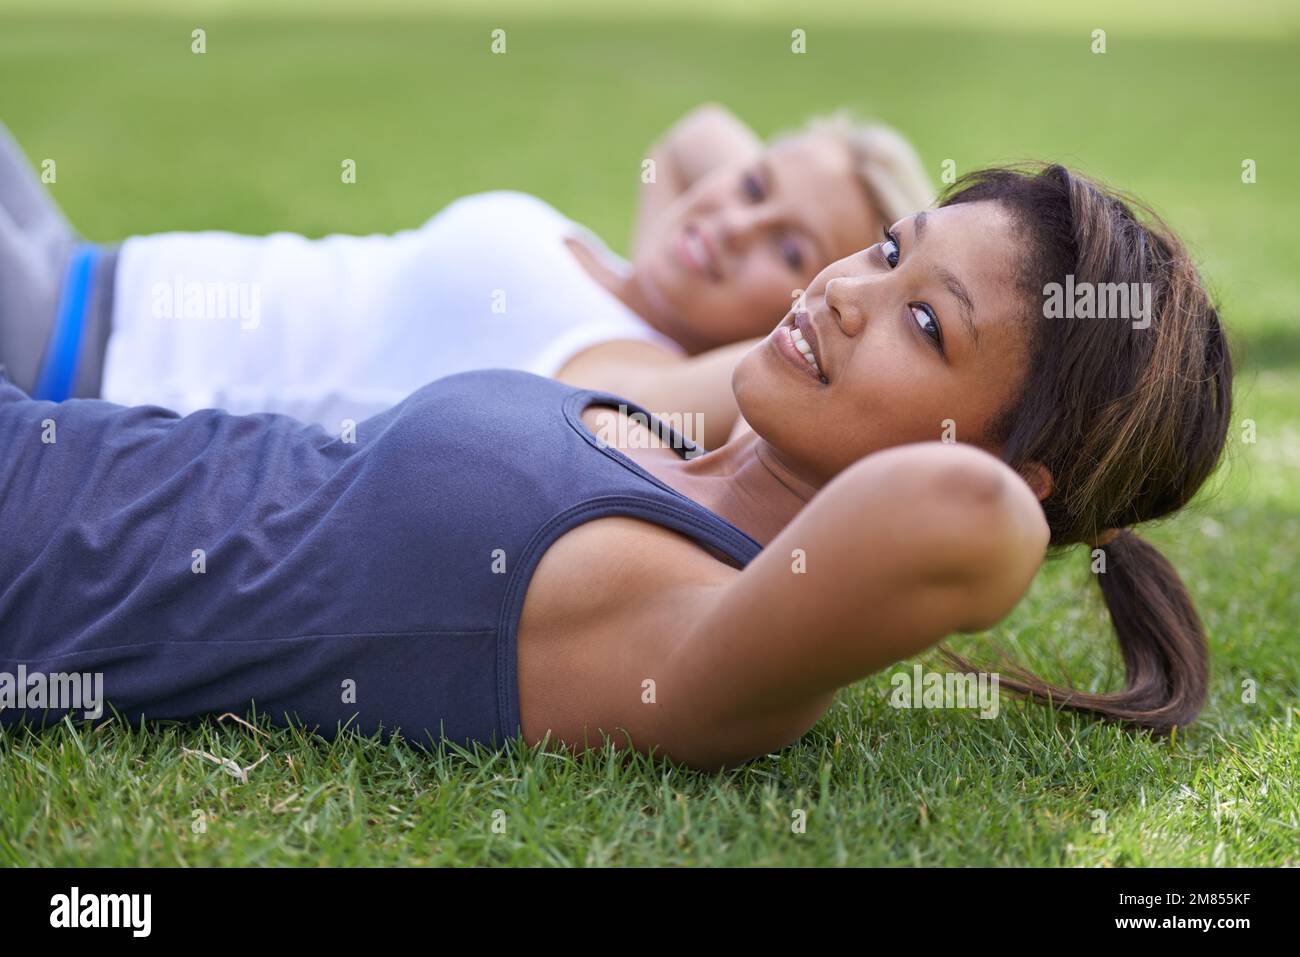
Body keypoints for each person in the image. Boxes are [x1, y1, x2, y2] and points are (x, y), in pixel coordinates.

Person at [0, 165, 1232, 772]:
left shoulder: (695, 629)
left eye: (926, 324)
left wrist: (1014, 484)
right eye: (883, 248)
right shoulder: (679, 443)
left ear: (1022, 473)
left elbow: (966, 519)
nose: (848, 293)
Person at [0, 107, 933, 445]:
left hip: (69, 361)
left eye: (788, 252)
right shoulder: (625, 271)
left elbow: (805, 387)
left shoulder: (625, 376)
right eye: (752, 187)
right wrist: (805, 190)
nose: (730, 225)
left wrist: (835, 292)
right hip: (86, 264)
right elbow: (695, 134)